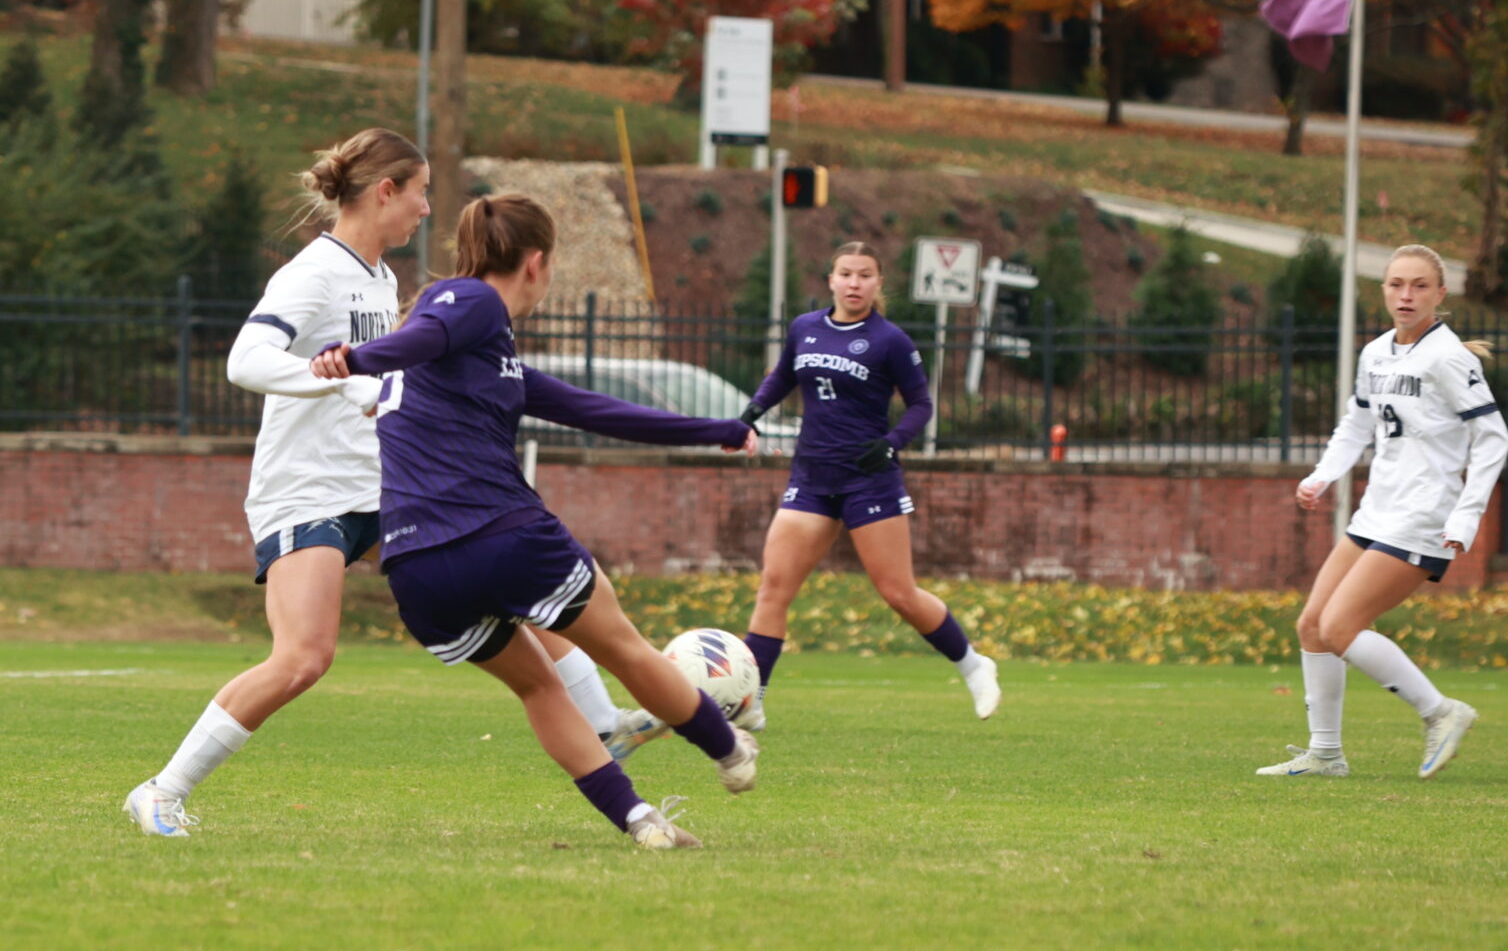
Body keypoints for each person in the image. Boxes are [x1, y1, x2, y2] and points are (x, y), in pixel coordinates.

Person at [307, 193, 760, 847]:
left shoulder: (489, 361)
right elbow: (424, 334)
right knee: (624, 649)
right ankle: (730, 751)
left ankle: (640, 822)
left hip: (416, 569)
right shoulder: (469, 299)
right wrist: (358, 358)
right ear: (536, 262)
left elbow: (597, 411)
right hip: (502, 535)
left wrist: (716, 429)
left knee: (541, 688)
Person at [122, 128, 431, 838]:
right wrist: (341, 383)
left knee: (480, 584)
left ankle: (606, 725)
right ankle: (161, 791)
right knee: (302, 659)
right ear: (385, 191)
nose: (425, 209)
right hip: (307, 493)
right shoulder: (313, 273)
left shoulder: (382, 279)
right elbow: (245, 361)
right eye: (420, 193)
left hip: (376, 490)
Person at [1257, 243, 1508, 780]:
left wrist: (1466, 515)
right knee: (1312, 626)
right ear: (1384, 291)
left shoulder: (1448, 357)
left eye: (1420, 285)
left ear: (1440, 294)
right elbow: (1357, 423)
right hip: (1377, 510)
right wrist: (1323, 475)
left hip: (1424, 516)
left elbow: (1493, 439)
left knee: (1340, 626)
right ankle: (1326, 754)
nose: (1406, 295)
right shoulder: (1375, 353)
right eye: (1396, 284)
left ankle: (1441, 712)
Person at [735, 241, 1001, 728]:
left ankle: (974, 665)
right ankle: (753, 701)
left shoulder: (890, 340)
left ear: (878, 283)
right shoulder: (804, 328)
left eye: (864, 275)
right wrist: (752, 412)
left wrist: (893, 443)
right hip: (812, 477)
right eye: (845, 274)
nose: (854, 283)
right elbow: (782, 377)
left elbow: (921, 405)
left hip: (868, 481)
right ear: (831, 280)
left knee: (899, 593)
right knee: (774, 586)